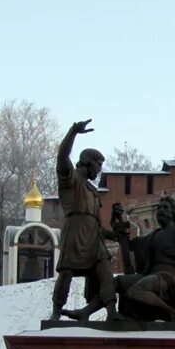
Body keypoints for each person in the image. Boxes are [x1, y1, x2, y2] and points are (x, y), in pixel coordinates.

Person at [49, 118, 119, 322]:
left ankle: (112, 312)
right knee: (67, 272)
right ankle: (56, 311)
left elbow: (96, 223)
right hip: (76, 232)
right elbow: (61, 156)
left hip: (93, 237)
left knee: (105, 271)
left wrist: (113, 235)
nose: (99, 170)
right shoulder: (71, 180)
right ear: (88, 162)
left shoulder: (93, 191)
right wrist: (73, 132)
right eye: (98, 164)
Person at [113, 195, 175, 321]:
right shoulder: (152, 236)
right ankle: (104, 313)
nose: (160, 210)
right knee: (115, 282)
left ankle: (173, 312)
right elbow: (129, 244)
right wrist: (119, 223)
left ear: (174, 213)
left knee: (135, 291)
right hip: (151, 275)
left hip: (171, 278)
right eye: (159, 208)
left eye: (165, 208)